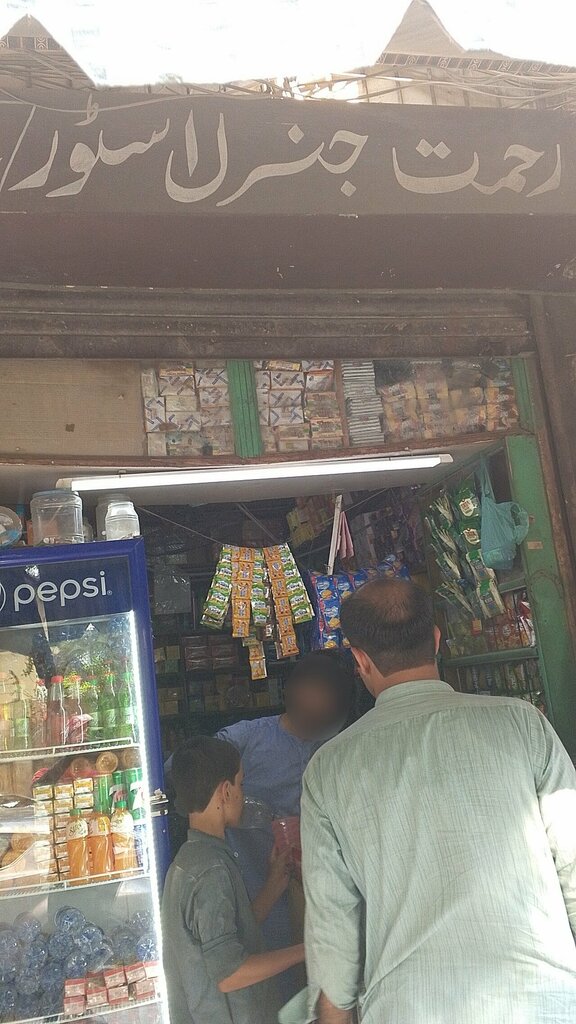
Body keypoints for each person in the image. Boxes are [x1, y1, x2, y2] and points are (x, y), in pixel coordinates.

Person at [301, 578, 576, 1024]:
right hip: (545, 1000)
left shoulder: (328, 769)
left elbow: (333, 925)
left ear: (360, 660)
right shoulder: (522, 725)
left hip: (411, 1009)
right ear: (435, 640)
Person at [215, 652, 356, 969]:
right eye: (309, 712)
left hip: (327, 899)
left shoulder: (342, 749)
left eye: (324, 717)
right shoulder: (246, 739)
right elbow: (183, 772)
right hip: (257, 894)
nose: (314, 724)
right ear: (290, 694)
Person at [161, 736, 304, 1024]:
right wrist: (309, 950)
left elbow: (229, 934)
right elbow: (230, 974)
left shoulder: (194, 858)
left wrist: (274, 885)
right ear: (226, 792)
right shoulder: (209, 870)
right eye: (241, 783)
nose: (242, 793)